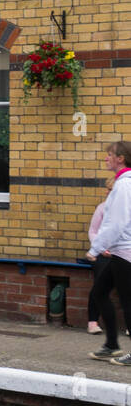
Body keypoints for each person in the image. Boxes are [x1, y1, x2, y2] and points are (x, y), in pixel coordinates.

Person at [88, 141, 131, 362]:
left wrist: (95, 248)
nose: (106, 158)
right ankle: (112, 344)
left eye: (109, 155)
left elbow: (116, 223)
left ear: (120, 158)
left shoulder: (124, 186)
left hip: (125, 253)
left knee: (127, 302)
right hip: (120, 253)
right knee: (99, 293)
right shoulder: (122, 182)